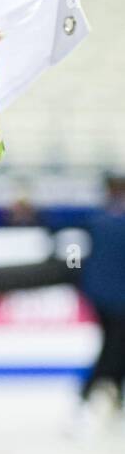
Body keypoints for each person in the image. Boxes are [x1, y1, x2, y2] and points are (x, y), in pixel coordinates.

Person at [74, 173, 125, 424]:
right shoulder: (103, 220)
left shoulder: (96, 219)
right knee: (112, 349)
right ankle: (86, 394)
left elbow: (77, 254)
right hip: (116, 300)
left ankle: (114, 396)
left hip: (101, 298)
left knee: (115, 346)